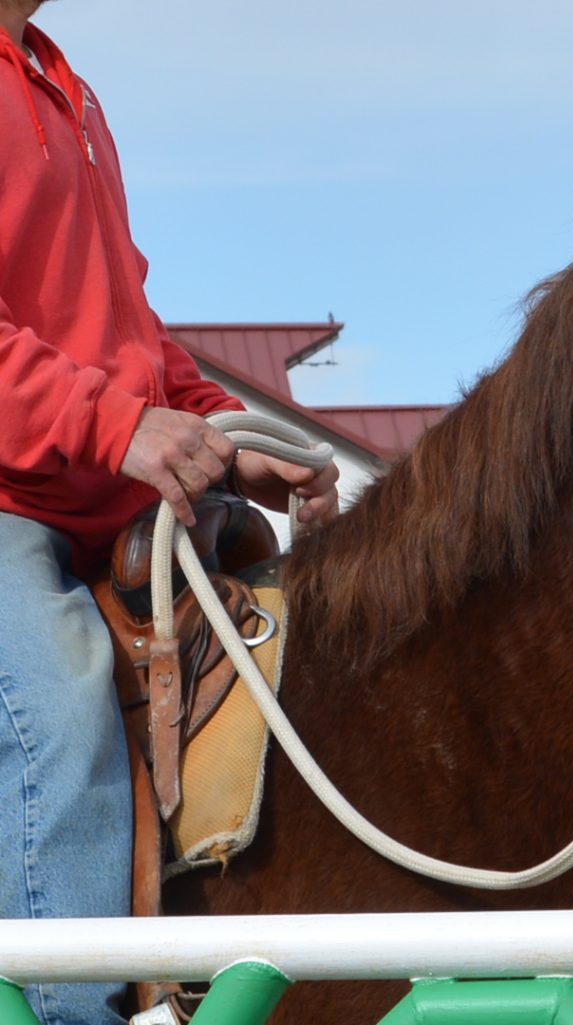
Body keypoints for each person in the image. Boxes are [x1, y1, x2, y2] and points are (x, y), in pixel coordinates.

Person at [1, 4, 340, 1023]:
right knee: (58, 699)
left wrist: (226, 435)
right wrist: (116, 427)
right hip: (11, 497)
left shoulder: (67, 87)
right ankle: (72, 1013)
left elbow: (131, 331)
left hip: (101, 493)